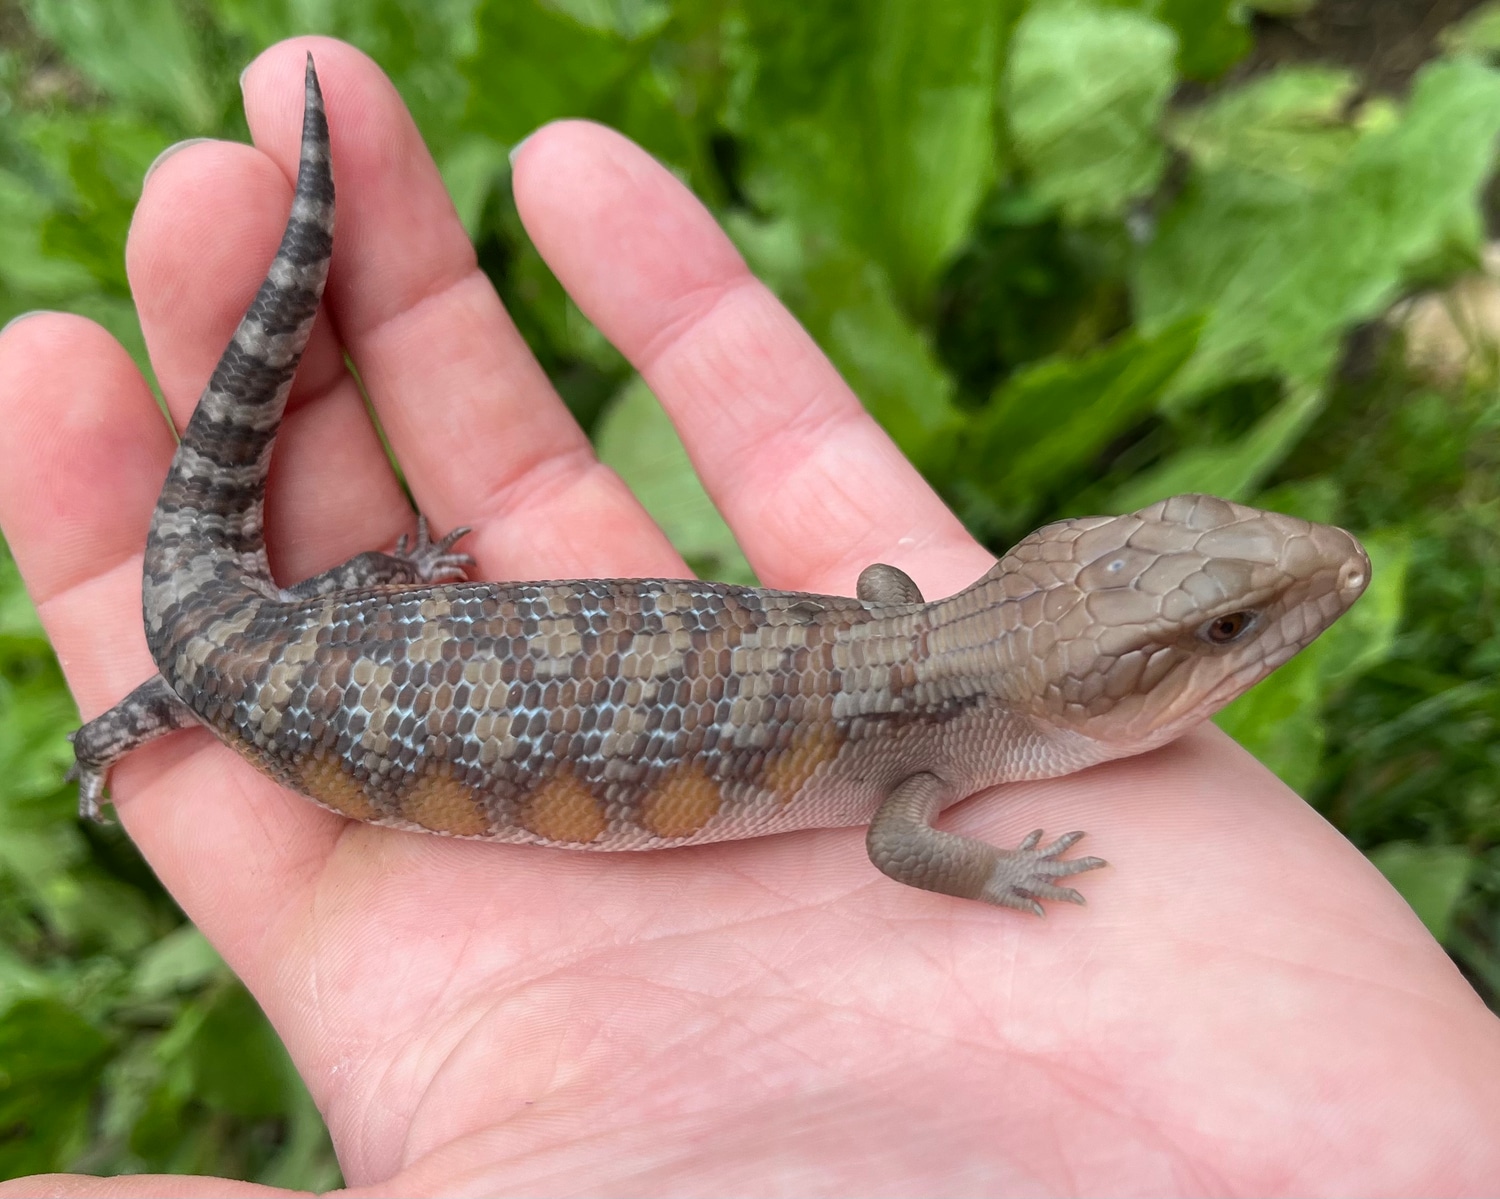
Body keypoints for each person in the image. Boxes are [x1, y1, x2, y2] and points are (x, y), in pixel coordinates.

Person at [1, 36, 1496, 1198]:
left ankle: (172, 688)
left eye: (1228, 620)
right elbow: (906, 841)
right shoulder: (940, 751)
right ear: (1089, 662)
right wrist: (1008, 881)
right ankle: (165, 693)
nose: (1315, 584)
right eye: (1230, 629)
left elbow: (905, 616)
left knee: (229, 636)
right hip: (285, 679)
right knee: (218, 655)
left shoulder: (945, 673)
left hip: (322, 640)